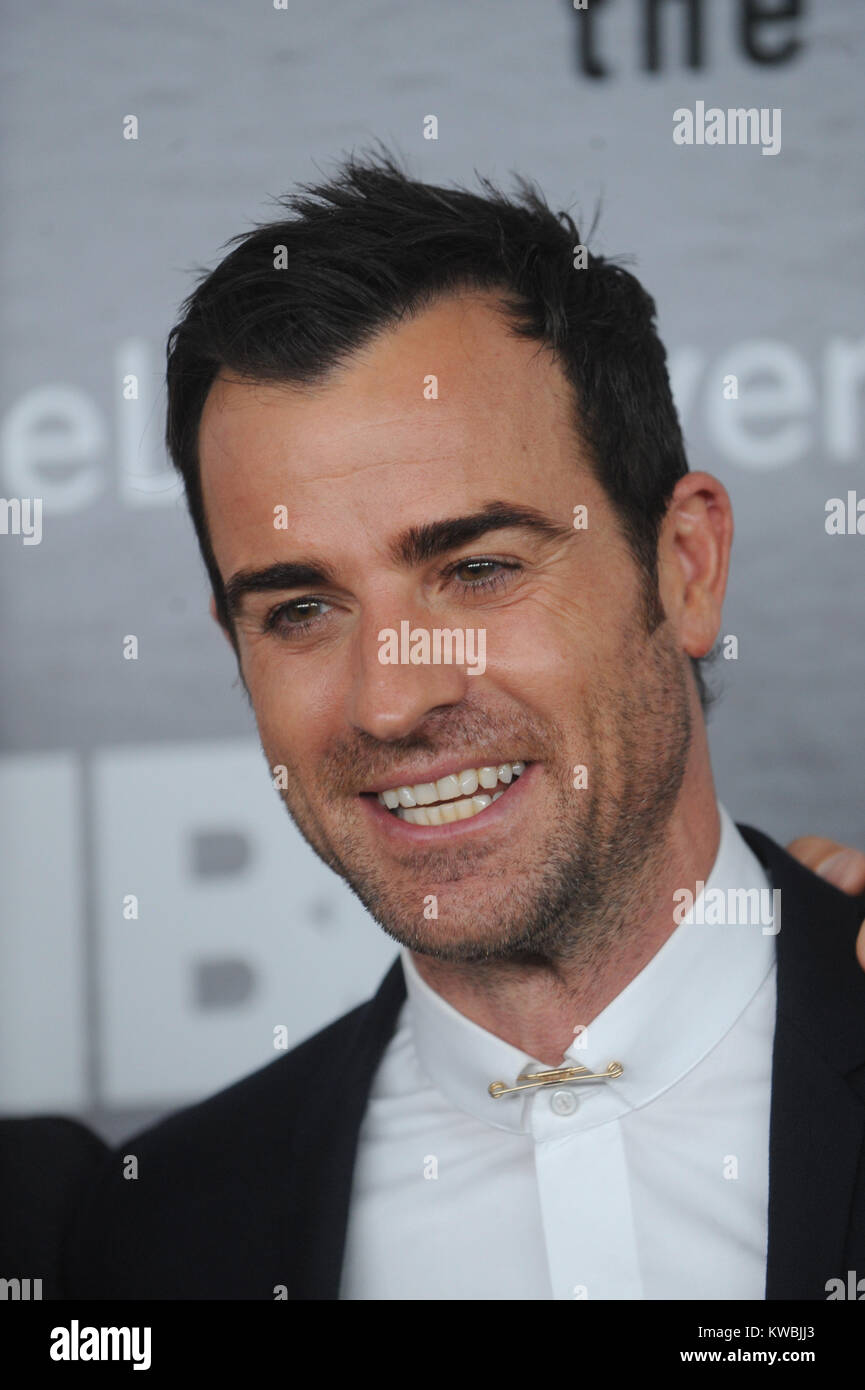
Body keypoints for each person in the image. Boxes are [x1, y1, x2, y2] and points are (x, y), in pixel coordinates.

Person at [67, 153, 865, 1301]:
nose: (391, 699)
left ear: (685, 566)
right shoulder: (155, 1237)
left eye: (478, 568)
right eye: (300, 609)